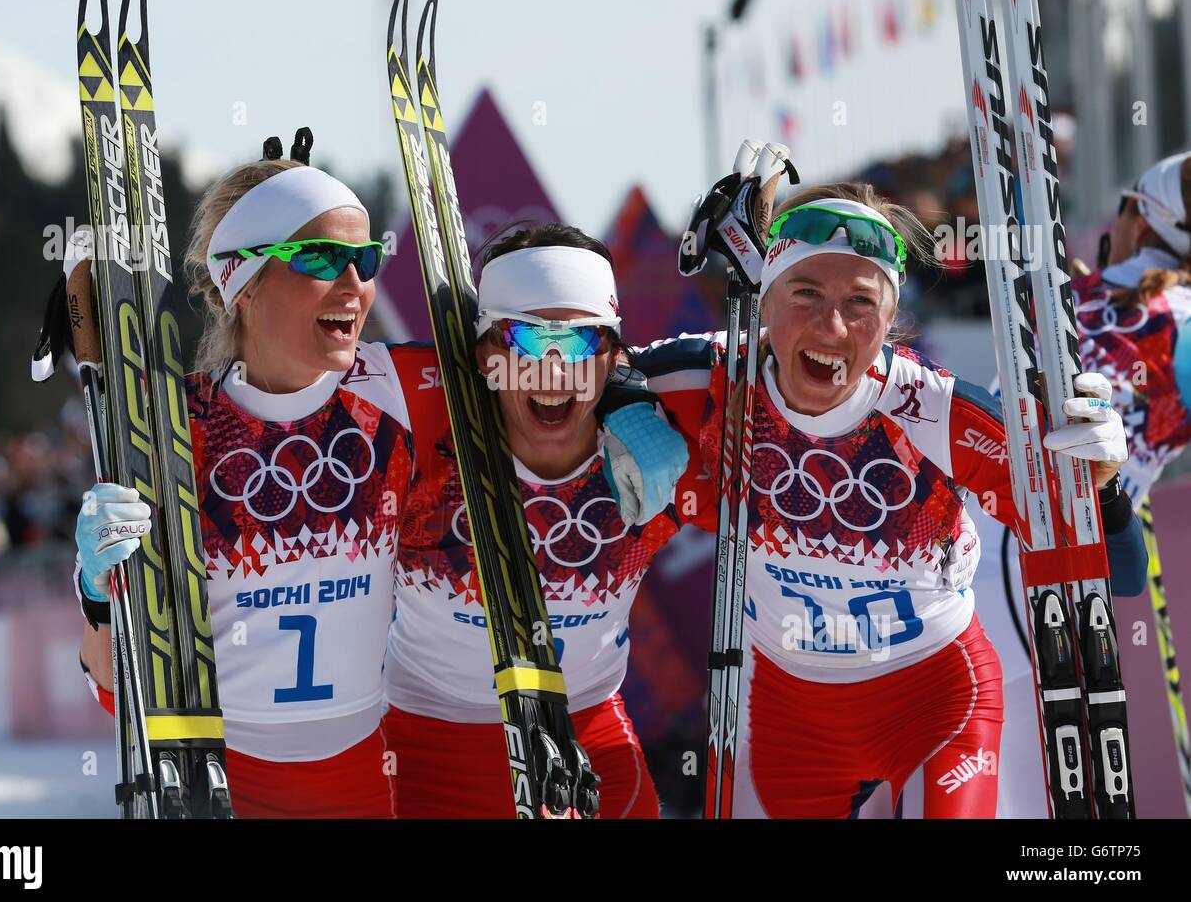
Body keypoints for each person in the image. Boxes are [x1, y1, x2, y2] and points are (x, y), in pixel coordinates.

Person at [69, 154, 683, 818]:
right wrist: (97, 596)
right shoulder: (171, 430)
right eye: (321, 259)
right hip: (218, 781)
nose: (353, 283)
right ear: (240, 278)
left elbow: (549, 350)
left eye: (363, 259)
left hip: (358, 784)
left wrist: (629, 394)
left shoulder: (401, 390)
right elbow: (116, 685)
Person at [384, 221, 983, 818]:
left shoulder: (670, 446)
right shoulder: (418, 433)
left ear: (613, 355)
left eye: (580, 344)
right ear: (486, 355)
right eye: (526, 342)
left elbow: (795, 401)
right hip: (423, 747)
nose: (554, 370)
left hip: (582, 745)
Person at [638, 162, 1145, 818]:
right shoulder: (710, 373)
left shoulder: (937, 412)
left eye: (860, 303)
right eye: (806, 294)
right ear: (764, 298)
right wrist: (623, 407)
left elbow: (1120, 575)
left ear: (889, 320)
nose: (833, 327)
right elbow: (580, 370)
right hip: (786, 713)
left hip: (935, 698)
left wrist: (1101, 488)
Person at [970, 149, 1191, 818]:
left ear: (1138, 217)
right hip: (1038, 552)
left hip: (981, 538)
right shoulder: (1174, 317)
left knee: (1001, 784)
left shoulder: (1063, 297)